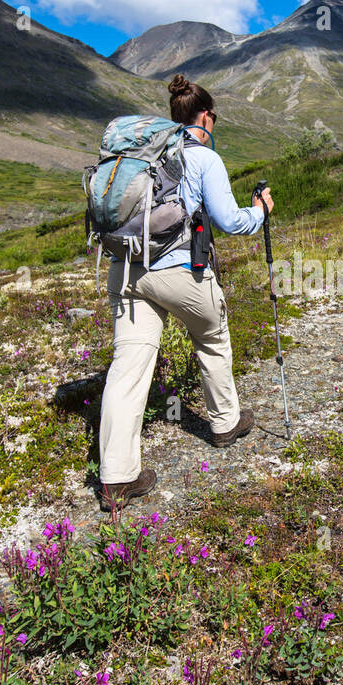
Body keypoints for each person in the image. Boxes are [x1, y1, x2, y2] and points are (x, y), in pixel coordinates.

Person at [96, 75, 273, 511]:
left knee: (129, 367)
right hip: (180, 272)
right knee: (212, 337)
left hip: (126, 270)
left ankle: (117, 478)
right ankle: (225, 424)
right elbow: (231, 222)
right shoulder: (203, 159)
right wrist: (261, 211)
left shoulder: (145, 157)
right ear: (206, 117)